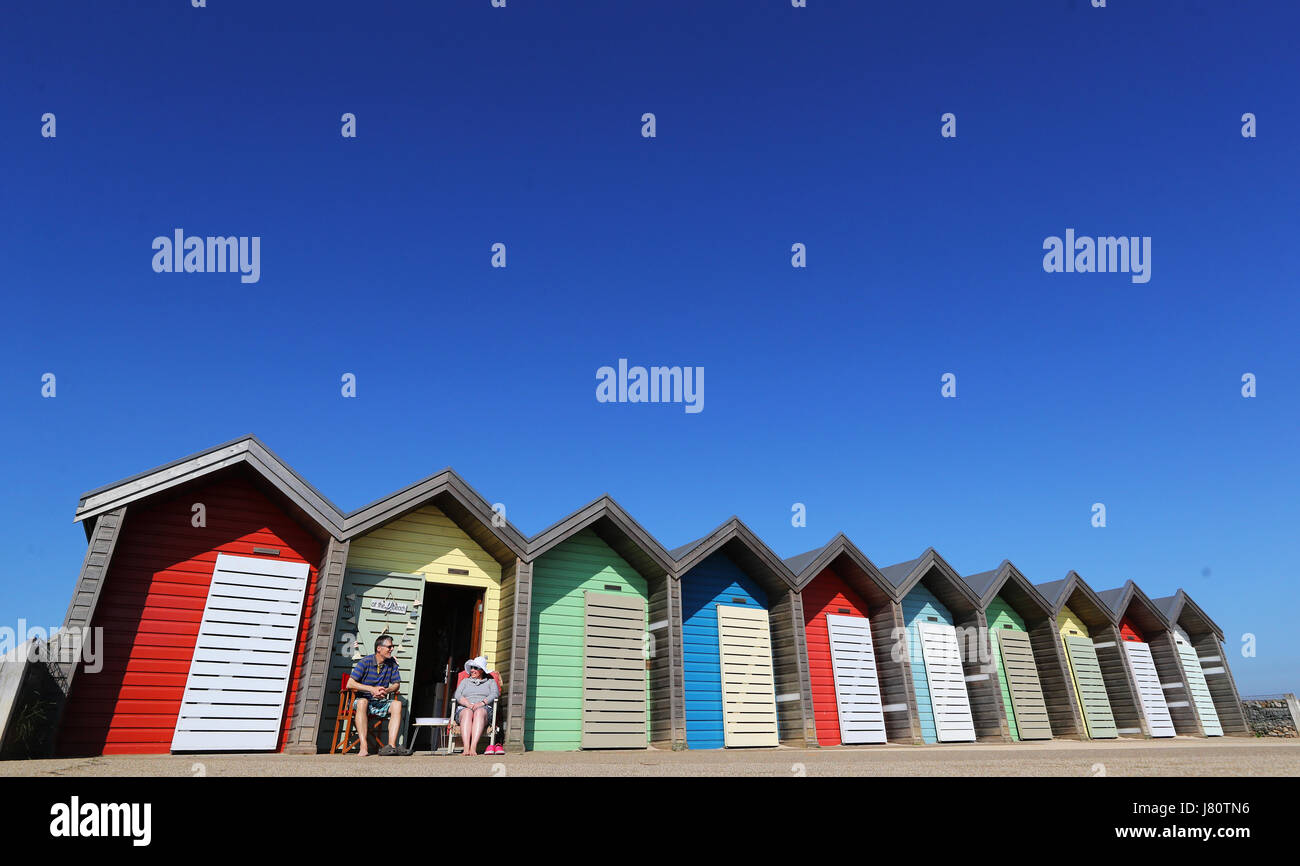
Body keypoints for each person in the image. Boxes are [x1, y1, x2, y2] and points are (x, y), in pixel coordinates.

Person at [348, 635, 406, 756]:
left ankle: (391, 746)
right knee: (363, 702)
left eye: (392, 646)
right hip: (361, 700)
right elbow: (350, 683)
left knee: (397, 704)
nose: (392, 649)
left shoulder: (392, 664)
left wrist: (387, 690)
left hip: (378, 701)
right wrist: (371, 689)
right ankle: (364, 747)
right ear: (379, 648)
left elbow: (396, 684)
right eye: (389, 646)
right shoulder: (365, 662)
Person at [453, 656, 500, 756]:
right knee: (467, 712)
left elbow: (495, 694)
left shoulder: (490, 682)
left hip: (484, 709)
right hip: (465, 708)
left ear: (482, 670)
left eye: (475, 668)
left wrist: (482, 703)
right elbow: (457, 695)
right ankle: (466, 748)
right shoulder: (465, 681)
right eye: (472, 668)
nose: (472, 670)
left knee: (479, 712)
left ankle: (473, 747)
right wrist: (467, 704)